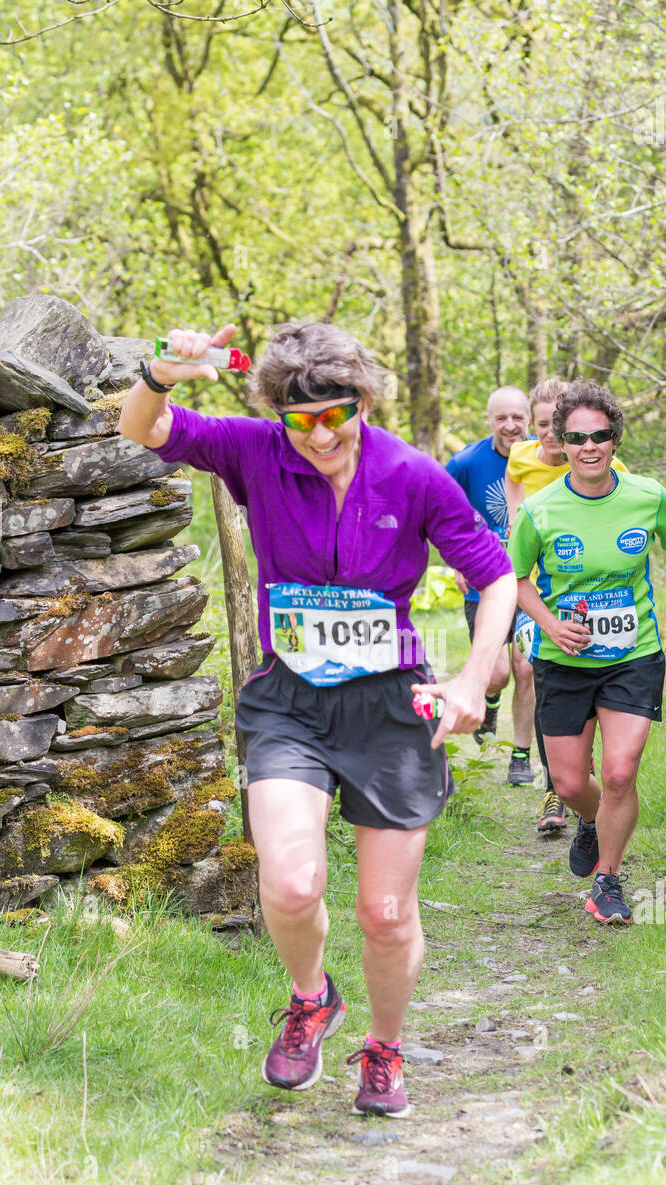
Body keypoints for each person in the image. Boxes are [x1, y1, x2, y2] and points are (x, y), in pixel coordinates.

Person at [119, 320, 516, 1118]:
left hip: (389, 708)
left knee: (385, 911)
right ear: (277, 414)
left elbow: (496, 576)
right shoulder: (253, 451)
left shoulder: (411, 474)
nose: (321, 434)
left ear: (362, 400)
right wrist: (157, 375)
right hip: (288, 700)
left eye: (338, 414)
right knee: (292, 884)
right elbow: (143, 428)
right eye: (301, 420)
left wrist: (474, 675)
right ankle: (311, 998)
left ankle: (385, 1047)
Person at [507, 379, 666, 925]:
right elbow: (515, 578)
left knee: (619, 771)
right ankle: (591, 821)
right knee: (569, 783)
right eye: (576, 437)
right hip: (563, 660)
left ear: (615, 439)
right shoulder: (540, 510)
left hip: (632, 653)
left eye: (600, 435)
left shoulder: (648, 495)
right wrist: (549, 623)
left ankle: (607, 880)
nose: (589, 446)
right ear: (560, 443)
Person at [507, 378, 629, 835]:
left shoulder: (595, 454)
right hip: (535, 589)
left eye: (559, 427)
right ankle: (555, 785)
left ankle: (582, 771)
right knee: (529, 668)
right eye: (544, 427)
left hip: (591, 595)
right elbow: (515, 509)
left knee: (593, 675)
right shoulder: (522, 459)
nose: (556, 438)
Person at [446, 386, 537, 786]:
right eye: (502, 418)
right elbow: (441, 512)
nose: (511, 425)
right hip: (483, 583)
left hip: (533, 584)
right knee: (498, 673)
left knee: (526, 667)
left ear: (529, 419)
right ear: (490, 421)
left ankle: (521, 756)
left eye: (518, 416)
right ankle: (491, 698)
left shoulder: (544, 458)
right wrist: (455, 560)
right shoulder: (465, 463)